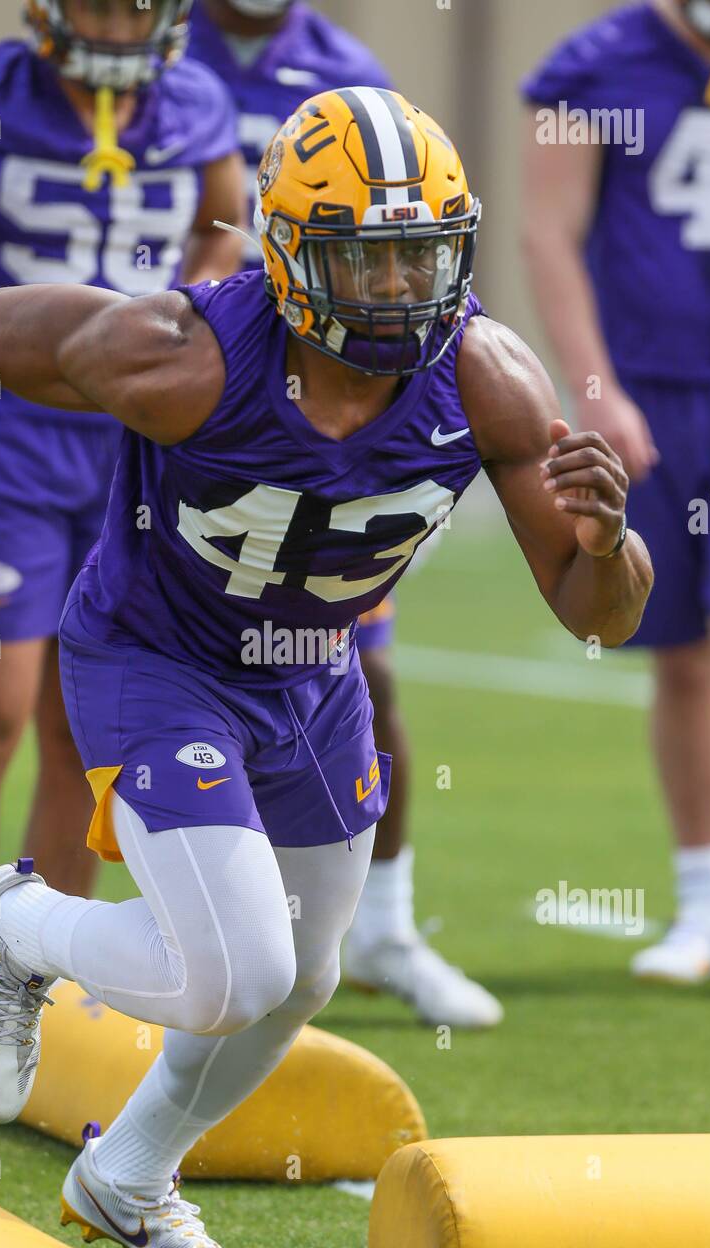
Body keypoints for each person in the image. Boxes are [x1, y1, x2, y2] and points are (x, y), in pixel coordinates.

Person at [0, 87, 651, 1248]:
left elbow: (598, 614)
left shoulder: (485, 374)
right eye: (363, 261)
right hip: (155, 654)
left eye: (419, 257)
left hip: (315, 676)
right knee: (235, 973)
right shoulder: (183, 355)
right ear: (286, 253)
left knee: (307, 975)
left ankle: (125, 1179)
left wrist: (608, 548)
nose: (396, 291)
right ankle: (17, 925)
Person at [0, 0, 245, 1085]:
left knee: (82, 730)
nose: (118, 24)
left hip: (134, 452)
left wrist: (174, 315)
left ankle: (29, 985)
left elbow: (229, 222)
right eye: (97, 0)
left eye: (137, 3)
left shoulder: (197, 98)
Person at [189, 0, 502, 1027]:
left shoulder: (344, 68)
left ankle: (387, 926)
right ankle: (108, 929)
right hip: (209, 373)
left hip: (339, 395)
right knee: (114, 666)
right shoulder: (156, 54)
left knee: (363, 670)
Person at [522, 0, 710, 983]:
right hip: (649, 393)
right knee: (686, 658)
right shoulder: (596, 64)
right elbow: (546, 232)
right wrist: (595, 388)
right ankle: (706, 902)